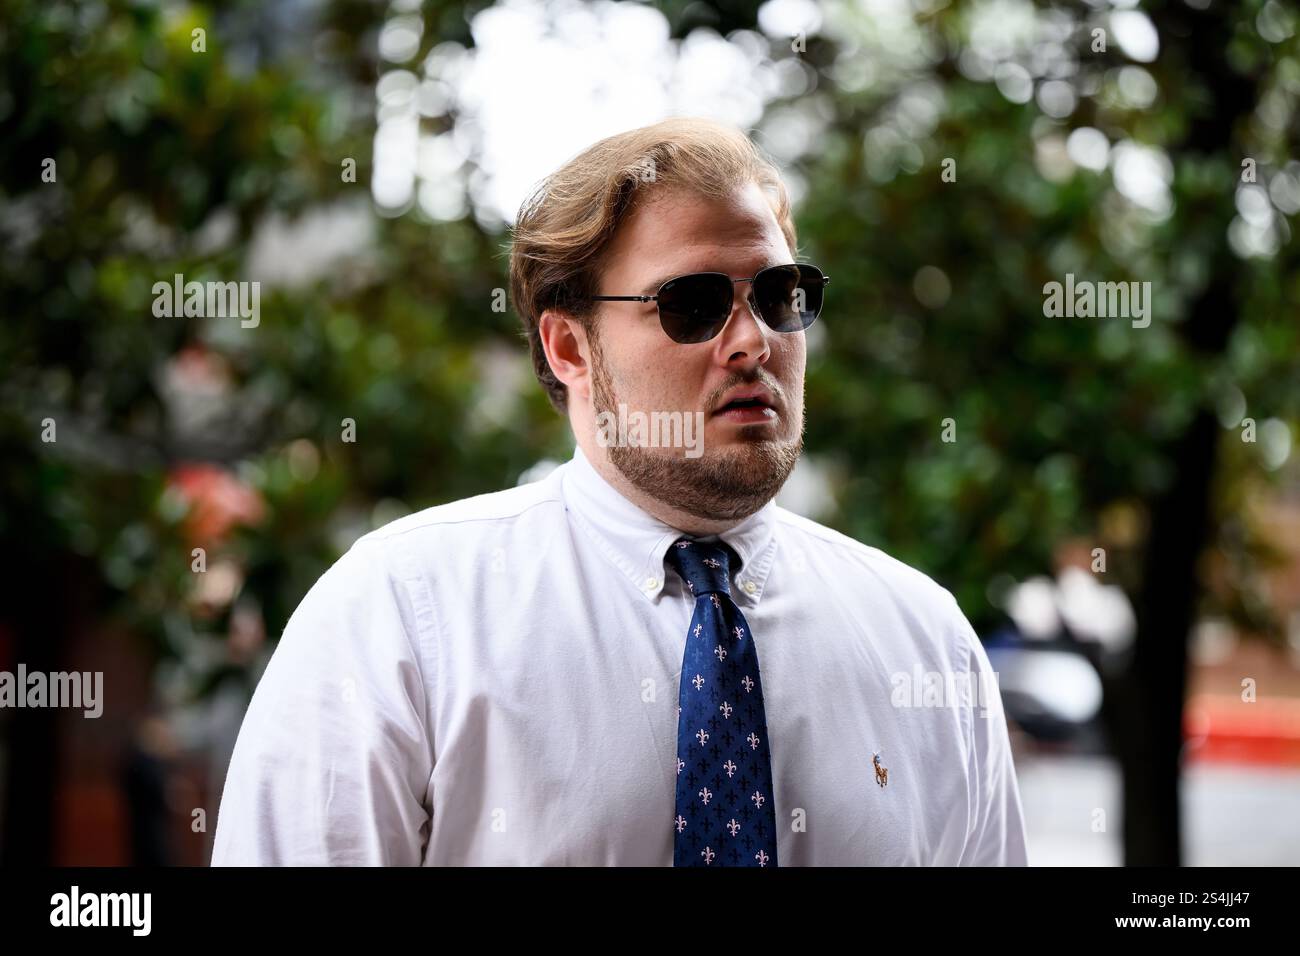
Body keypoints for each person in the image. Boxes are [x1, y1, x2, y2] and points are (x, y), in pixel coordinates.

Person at [211, 117, 1029, 866]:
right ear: (569, 346)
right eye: (694, 304)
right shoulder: (402, 616)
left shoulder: (926, 641)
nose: (752, 342)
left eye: (778, 296)